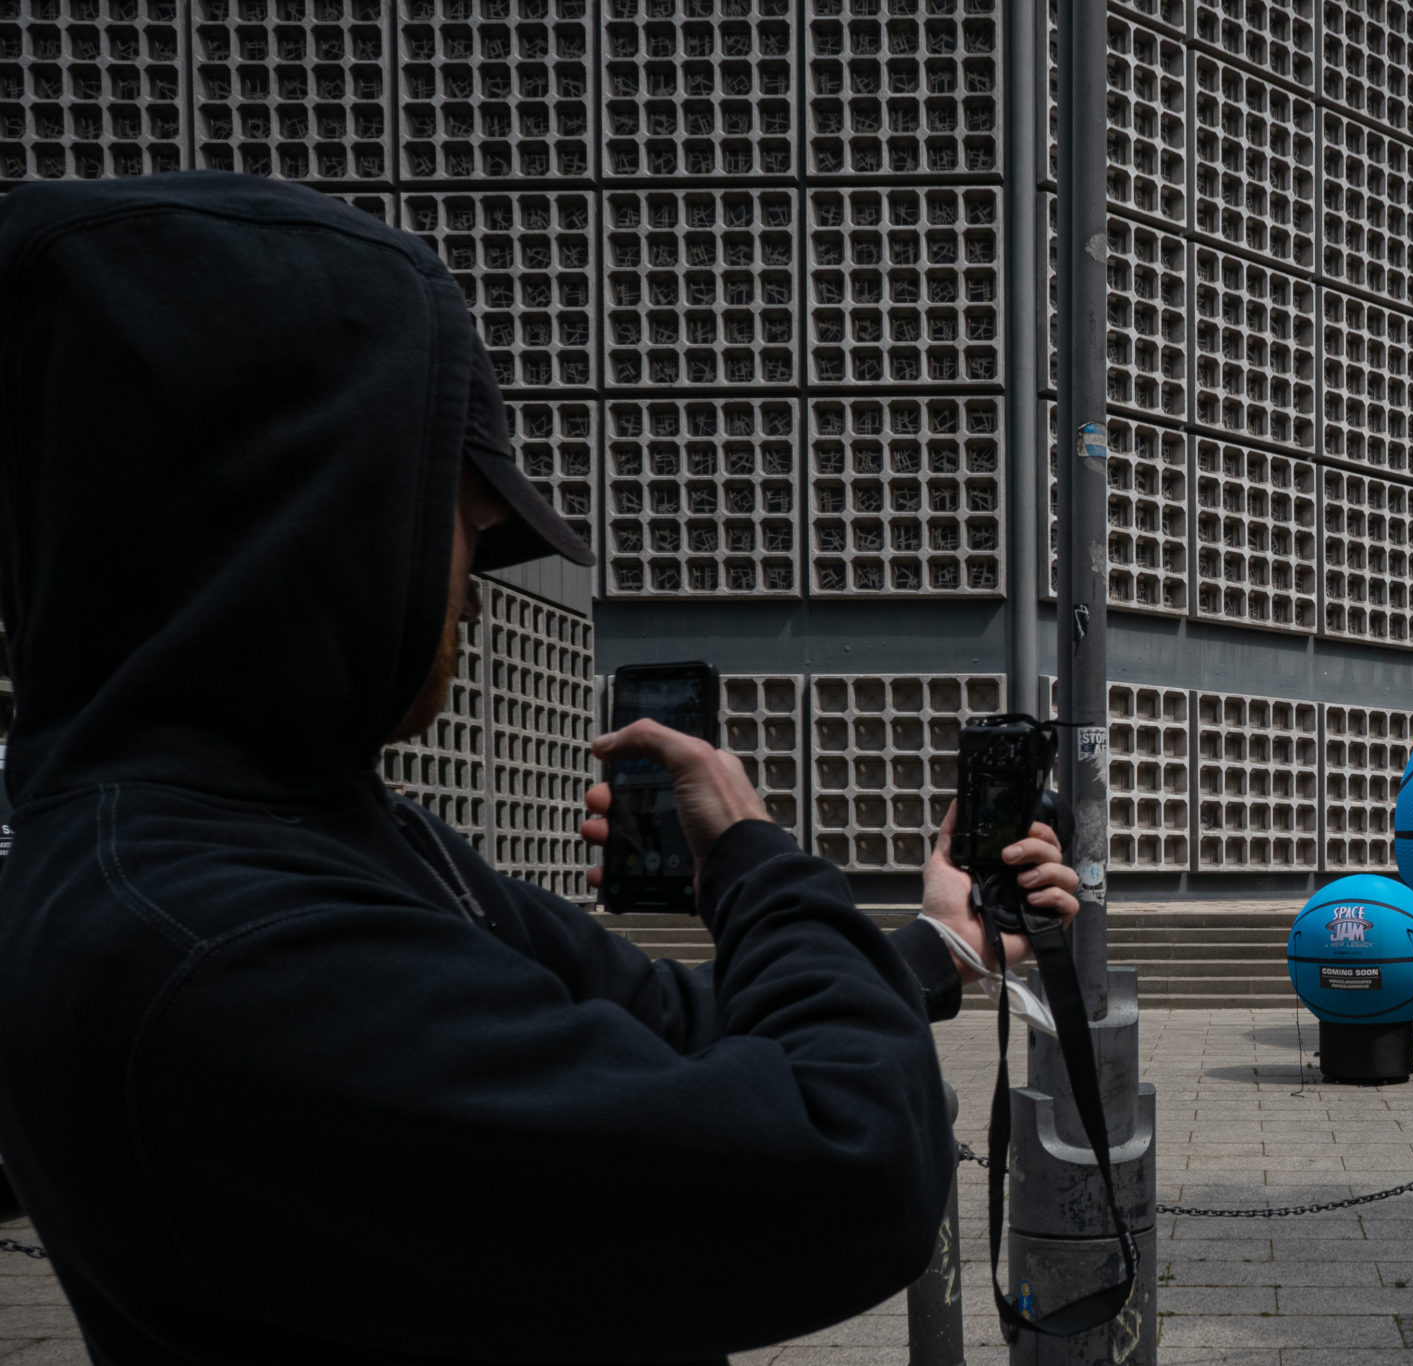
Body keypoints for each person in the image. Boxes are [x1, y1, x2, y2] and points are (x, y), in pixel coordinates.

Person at [0, 171, 1076, 1364]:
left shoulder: (306, 838)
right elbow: (843, 1155)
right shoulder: (223, 946)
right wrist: (758, 862)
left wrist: (942, 945)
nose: (472, 577)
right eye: (459, 523)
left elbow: (671, 1029)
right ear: (306, 526)